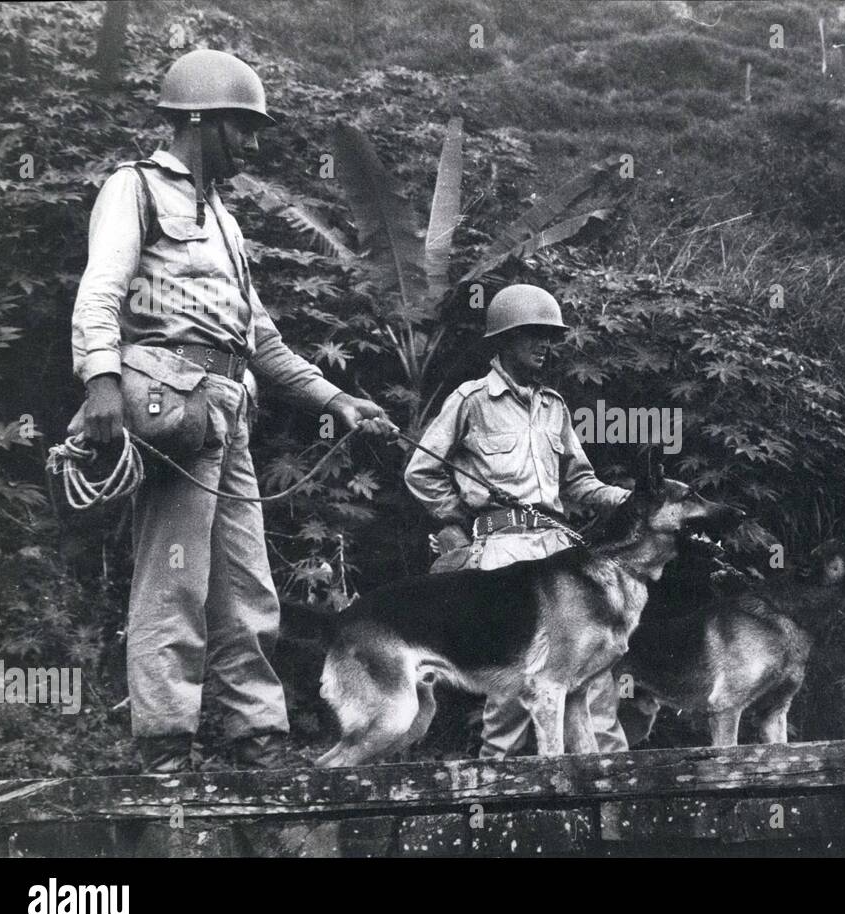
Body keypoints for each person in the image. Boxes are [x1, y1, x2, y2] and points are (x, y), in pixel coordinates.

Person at [69, 49, 392, 772]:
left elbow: (261, 340)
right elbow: (100, 292)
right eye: (242, 128)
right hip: (173, 407)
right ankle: (166, 748)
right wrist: (101, 382)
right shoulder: (135, 189)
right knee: (173, 584)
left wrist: (337, 398)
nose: (252, 144)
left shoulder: (223, 219)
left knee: (248, 591)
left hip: (229, 412)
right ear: (197, 121)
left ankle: (259, 738)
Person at [404, 284, 631, 758]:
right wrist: (452, 521)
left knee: (593, 680)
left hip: (562, 555)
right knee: (510, 687)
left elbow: (581, 483)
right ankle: (495, 800)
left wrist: (634, 502)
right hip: (503, 550)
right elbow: (422, 468)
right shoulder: (471, 400)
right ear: (503, 340)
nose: (544, 345)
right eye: (532, 335)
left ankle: (611, 797)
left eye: (549, 336)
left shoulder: (555, 408)